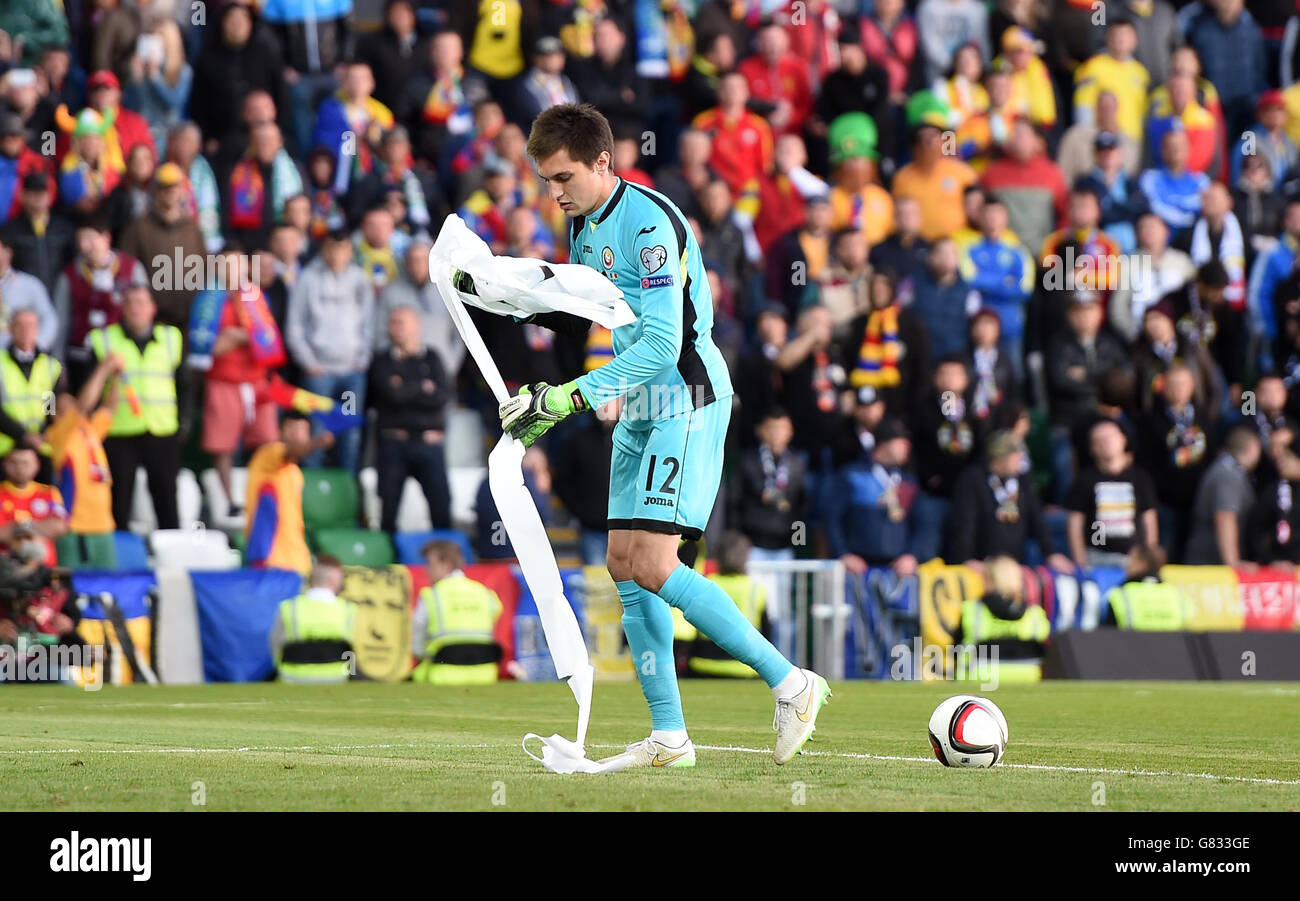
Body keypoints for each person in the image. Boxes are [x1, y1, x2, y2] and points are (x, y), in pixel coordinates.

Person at [499, 102, 829, 768]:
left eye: (562, 177)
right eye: (544, 180)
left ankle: (793, 683)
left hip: (686, 398)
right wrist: (496, 292)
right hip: (637, 406)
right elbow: (584, 313)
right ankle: (671, 735)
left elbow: (659, 340)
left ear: (602, 161)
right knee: (623, 566)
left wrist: (571, 397)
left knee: (654, 563)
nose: (553, 192)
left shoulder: (649, 223)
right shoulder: (584, 226)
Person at [87, 284, 183, 532]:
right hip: (119, 430)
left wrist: (184, 425)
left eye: (141, 302)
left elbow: (184, 384)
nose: (135, 308)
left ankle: (172, 555)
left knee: (166, 497)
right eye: (129, 302)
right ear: (122, 308)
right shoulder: (104, 339)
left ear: (153, 308)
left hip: (161, 429)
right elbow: (89, 389)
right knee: (119, 500)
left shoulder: (172, 338)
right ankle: (120, 558)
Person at [286, 229, 374, 473]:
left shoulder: (359, 279)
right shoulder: (308, 279)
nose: (337, 254)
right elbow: (295, 325)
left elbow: (369, 323)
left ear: (350, 251)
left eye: (342, 249)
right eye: (332, 248)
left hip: (351, 373)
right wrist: (308, 363)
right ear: (324, 249)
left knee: (349, 434)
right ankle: (313, 496)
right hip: (319, 374)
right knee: (316, 433)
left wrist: (362, 359)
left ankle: (348, 497)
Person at [367, 306, 452, 534]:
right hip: (394, 443)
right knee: (388, 507)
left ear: (416, 326)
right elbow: (390, 396)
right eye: (391, 322)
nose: (393, 328)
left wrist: (404, 388)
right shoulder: (381, 360)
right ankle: (389, 563)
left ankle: (445, 559)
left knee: (441, 506)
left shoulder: (433, 357)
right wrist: (423, 389)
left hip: (429, 444)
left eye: (400, 322)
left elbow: (442, 396)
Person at [950, 430, 1075, 573]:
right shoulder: (973, 479)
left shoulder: (1022, 480)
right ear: (1000, 456)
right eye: (1016, 455)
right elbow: (965, 523)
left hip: (1014, 566)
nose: (1021, 460)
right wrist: (966, 559)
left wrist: (1051, 553)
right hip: (980, 566)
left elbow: (1037, 519)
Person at [44, 355, 120, 569]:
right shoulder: (58, 434)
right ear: (55, 414)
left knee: (107, 589)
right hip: (75, 527)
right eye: (65, 402)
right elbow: (85, 403)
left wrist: (116, 378)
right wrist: (104, 368)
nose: (73, 403)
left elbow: (110, 408)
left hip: (103, 525)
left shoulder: (89, 430)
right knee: (75, 590)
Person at [824, 417, 922, 576]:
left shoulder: (908, 481)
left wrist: (912, 555)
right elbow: (832, 518)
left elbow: (920, 523)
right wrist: (843, 553)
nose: (907, 446)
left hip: (898, 572)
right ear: (883, 444)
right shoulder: (852, 475)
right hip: (857, 571)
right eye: (901, 441)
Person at [245, 411, 334, 575]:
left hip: (298, 559)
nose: (296, 433)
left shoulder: (295, 471)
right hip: (269, 558)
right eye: (291, 428)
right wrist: (318, 442)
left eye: (302, 429)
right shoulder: (268, 453)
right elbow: (291, 450)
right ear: (280, 431)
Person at [1065, 419, 1159, 569]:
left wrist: (1149, 557)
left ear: (1123, 440)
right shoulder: (1085, 480)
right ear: (1092, 448)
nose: (1106, 443)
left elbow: (1149, 519)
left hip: (1133, 559)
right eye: (1099, 440)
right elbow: (1075, 524)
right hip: (1097, 558)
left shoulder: (1140, 478)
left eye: (1110, 437)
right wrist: (1081, 563)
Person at [680, 531, 771, 678]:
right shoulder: (755, 589)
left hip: (703, 663)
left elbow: (692, 627)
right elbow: (767, 634)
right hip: (744, 667)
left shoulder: (705, 583)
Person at [411, 539, 502, 685]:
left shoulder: (432, 595)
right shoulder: (484, 592)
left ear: (445, 564)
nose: (426, 570)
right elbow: (496, 617)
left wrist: (422, 655)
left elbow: (417, 638)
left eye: (429, 564)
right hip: (485, 673)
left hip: (443, 674)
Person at [727, 408, 807, 563]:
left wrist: (798, 544)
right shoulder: (747, 461)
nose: (776, 434)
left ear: (790, 432)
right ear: (760, 431)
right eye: (772, 428)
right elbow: (734, 503)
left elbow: (802, 506)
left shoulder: (797, 464)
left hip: (785, 546)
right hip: (752, 546)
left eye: (782, 428)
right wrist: (739, 541)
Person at [270, 555, 354, 684]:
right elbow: (350, 649)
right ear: (335, 580)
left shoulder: (289, 608)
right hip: (337, 677)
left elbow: (275, 647)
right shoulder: (348, 610)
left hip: (292, 677)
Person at [1184, 424, 1261, 566]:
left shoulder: (1227, 469)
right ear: (1251, 448)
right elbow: (1225, 516)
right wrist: (1233, 562)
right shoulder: (1228, 475)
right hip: (1211, 566)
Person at [0, 308, 62, 462]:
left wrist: (42, 435)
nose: (26, 330)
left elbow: (50, 407)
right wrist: (23, 435)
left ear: (38, 329)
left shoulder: (50, 365)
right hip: (6, 447)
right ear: (11, 329)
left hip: (40, 447)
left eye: (31, 325)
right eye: (20, 325)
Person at [0, 446, 68, 566]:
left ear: (37, 465)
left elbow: (60, 526)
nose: (19, 468)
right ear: (5, 464)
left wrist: (20, 528)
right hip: (5, 569)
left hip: (44, 569)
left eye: (25, 463)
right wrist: (36, 529)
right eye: (14, 463)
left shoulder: (49, 493)